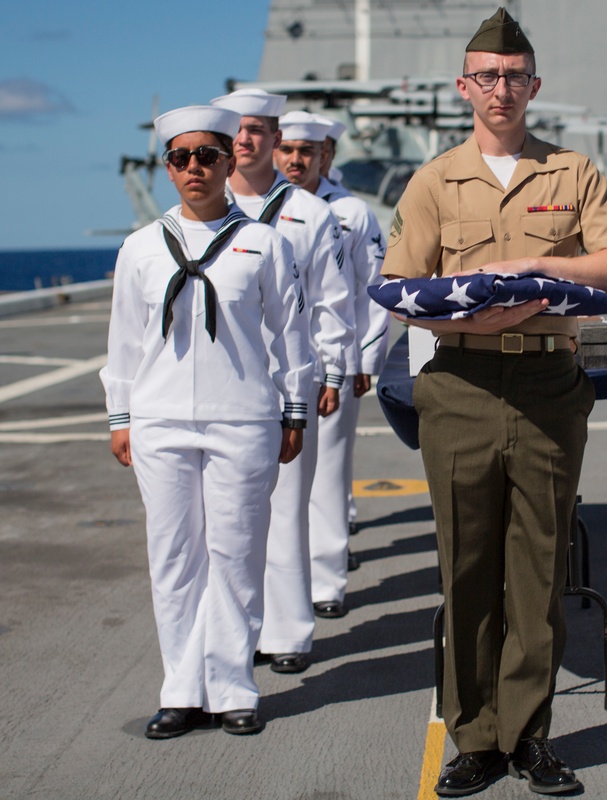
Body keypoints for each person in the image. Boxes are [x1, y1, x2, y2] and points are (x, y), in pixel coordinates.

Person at [380, 8, 607, 796]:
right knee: (465, 562)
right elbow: (399, 291)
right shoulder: (434, 180)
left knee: (538, 563)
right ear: (465, 87)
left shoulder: (572, 172)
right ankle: (474, 736)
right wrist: (469, 313)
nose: (501, 90)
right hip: (458, 384)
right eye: (487, 77)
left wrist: (535, 263)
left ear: (534, 86)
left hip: (546, 384)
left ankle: (528, 735)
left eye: (514, 77)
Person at [100, 105, 314, 738]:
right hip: (161, 421)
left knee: (235, 553)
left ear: (230, 161)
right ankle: (181, 689)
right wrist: (121, 416)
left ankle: (231, 687)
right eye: (179, 158)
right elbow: (124, 342)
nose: (194, 167)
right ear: (167, 168)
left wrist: (293, 408)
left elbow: (293, 334)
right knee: (172, 557)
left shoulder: (265, 243)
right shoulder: (140, 248)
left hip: (244, 419)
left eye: (206, 156)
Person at [211, 88, 354, 673]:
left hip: (291, 378)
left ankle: (290, 632)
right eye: (238, 132)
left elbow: (333, 301)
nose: (247, 141)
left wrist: (333, 370)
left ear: (275, 138)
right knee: (227, 518)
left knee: (290, 505)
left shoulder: (310, 212)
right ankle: (232, 631)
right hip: (224, 381)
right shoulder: (207, 211)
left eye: (258, 130)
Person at [273, 110, 390, 619]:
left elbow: (372, 291)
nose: (296, 160)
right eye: (288, 150)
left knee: (327, 475)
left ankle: (326, 581)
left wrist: (365, 356)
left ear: (327, 155)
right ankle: (278, 588)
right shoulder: (262, 208)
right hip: (272, 367)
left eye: (308, 151)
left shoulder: (352, 213)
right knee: (270, 483)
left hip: (329, 361)